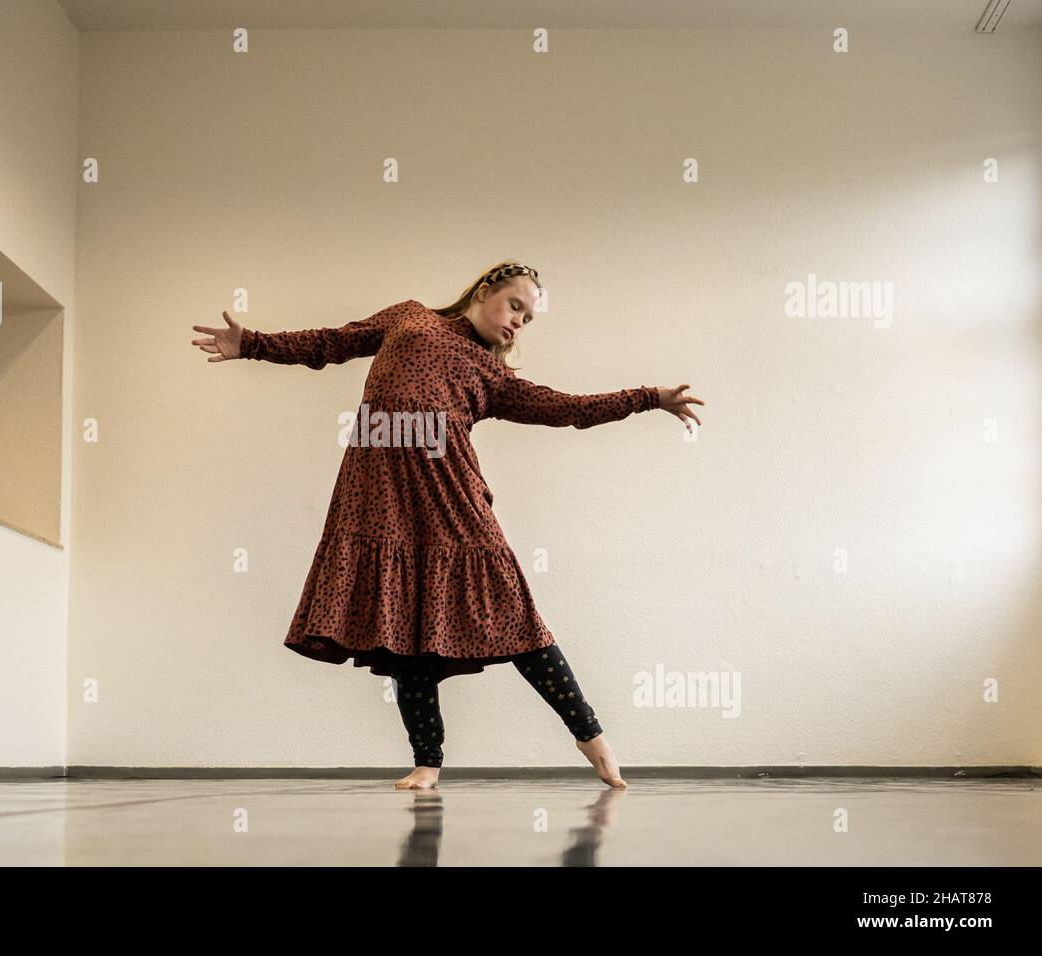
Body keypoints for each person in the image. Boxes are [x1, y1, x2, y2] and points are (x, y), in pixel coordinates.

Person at [191, 260, 704, 790]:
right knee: (403, 637)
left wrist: (648, 399)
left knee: (515, 617)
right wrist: (251, 343)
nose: (517, 323)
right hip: (379, 503)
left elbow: (565, 407)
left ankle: (591, 737)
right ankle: (427, 762)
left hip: (451, 501)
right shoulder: (407, 317)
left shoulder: (490, 372)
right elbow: (330, 342)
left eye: (528, 320)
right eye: (515, 307)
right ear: (485, 290)